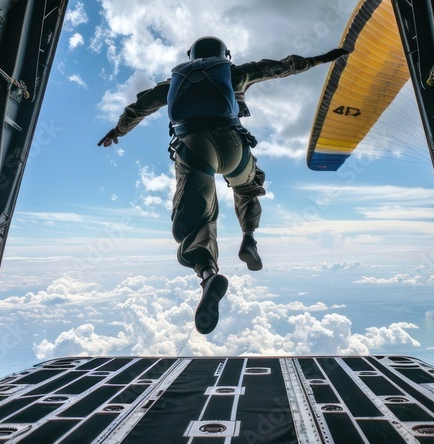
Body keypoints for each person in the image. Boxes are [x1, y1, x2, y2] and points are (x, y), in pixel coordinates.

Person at [98, 37, 350, 334]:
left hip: (193, 145)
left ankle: (207, 275)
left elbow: (138, 108)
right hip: (232, 144)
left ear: (191, 56)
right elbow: (284, 67)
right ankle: (249, 237)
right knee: (248, 187)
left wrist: (118, 131)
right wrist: (325, 56)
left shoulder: (172, 83)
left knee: (195, 218)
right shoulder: (234, 73)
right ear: (224, 55)